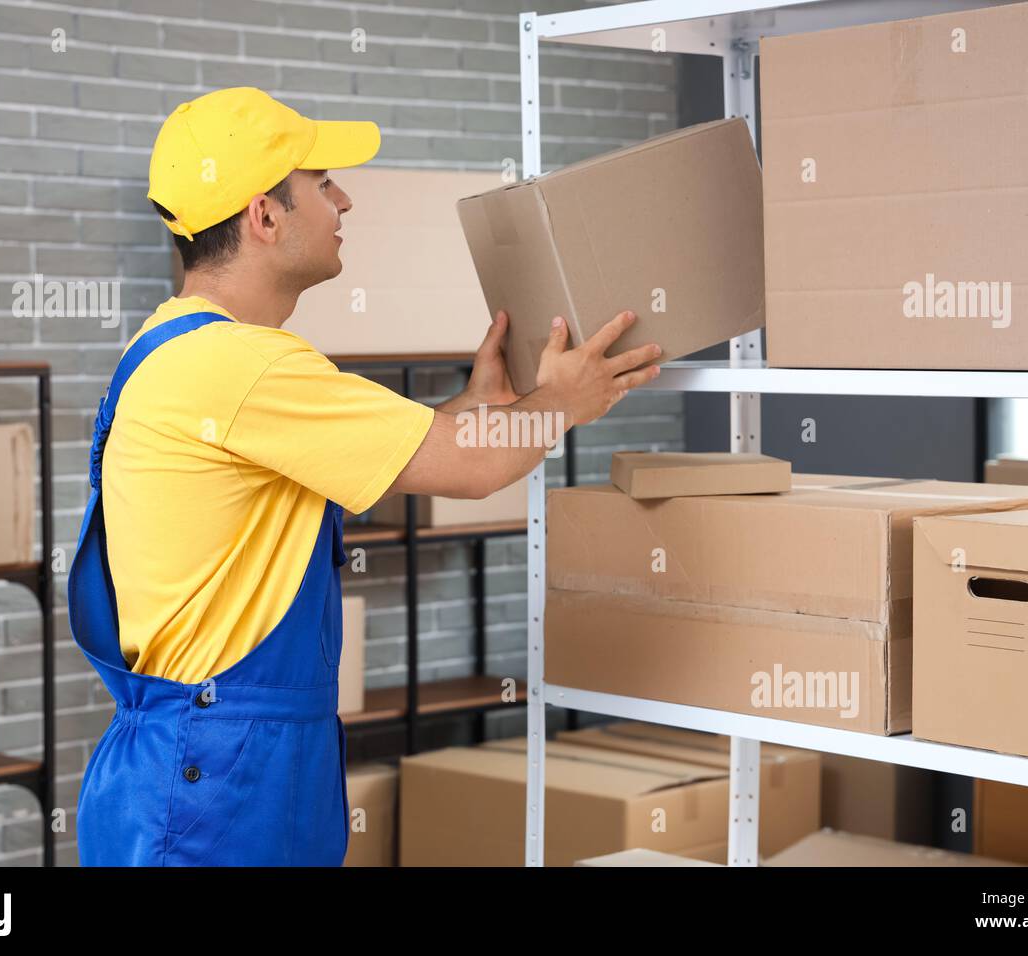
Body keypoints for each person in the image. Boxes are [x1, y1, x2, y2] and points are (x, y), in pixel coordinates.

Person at [67, 87, 661, 866]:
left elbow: (408, 451)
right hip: (217, 779)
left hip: (205, 761)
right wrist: (567, 400)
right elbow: (478, 468)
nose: (343, 199)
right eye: (322, 183)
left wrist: (474, 406)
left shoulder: (176, 348)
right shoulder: (243, 366)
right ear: (265, 216)